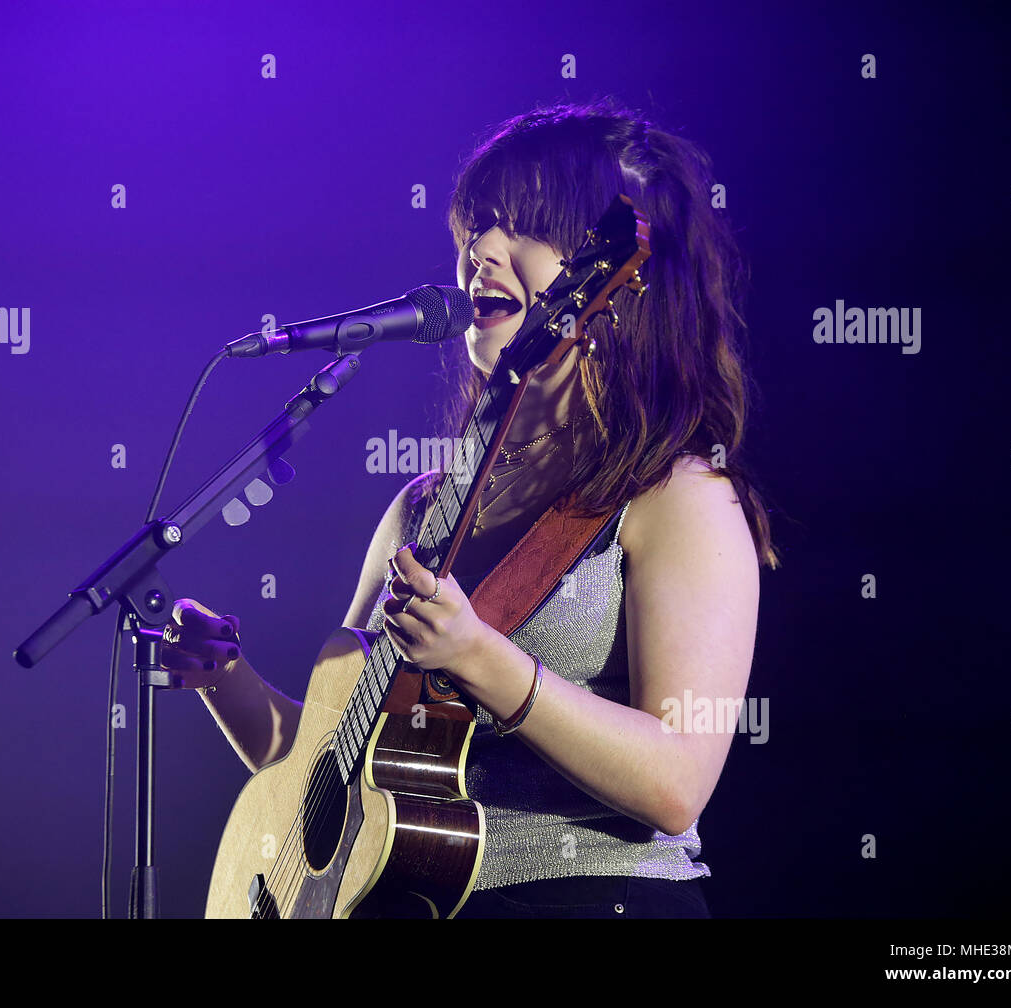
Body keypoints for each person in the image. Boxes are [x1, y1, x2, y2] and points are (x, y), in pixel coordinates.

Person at [162, 98, 779, 918]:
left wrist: (479, 656)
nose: (480, 252)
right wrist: (223, 679)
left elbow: (677, 784)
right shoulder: (422, 512)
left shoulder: (680, 497)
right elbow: (329, 767)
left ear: (607, 272)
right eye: (473, 229)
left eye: (522, 224)